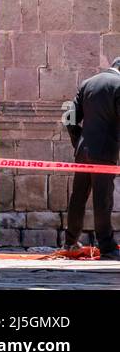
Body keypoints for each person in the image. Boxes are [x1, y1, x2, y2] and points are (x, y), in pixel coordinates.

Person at [64, 59, 120, 259]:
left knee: (78, 196)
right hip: (105, 151)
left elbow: (68, 115)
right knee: (102, 198)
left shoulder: (87, 83)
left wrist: (77, 139)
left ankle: (70, 242)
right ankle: (106, 247)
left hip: (82, 150)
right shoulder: (118, 85)